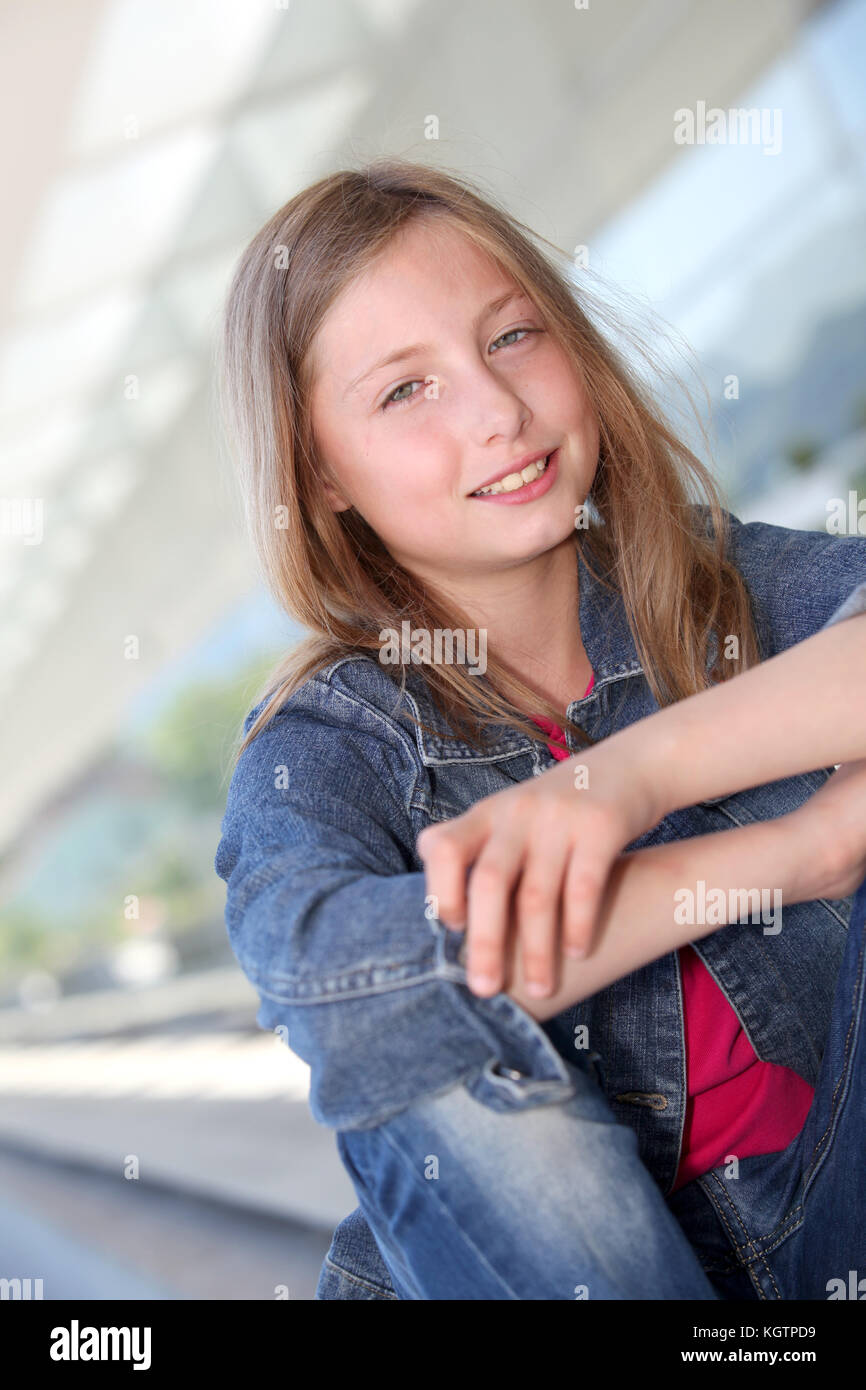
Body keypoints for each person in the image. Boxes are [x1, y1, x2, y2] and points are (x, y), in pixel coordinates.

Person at [214, 158, 866, 1300]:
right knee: (429, 1046)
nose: (498, 411)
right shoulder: (323, 749)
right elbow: (342, 1003)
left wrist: (626, 776)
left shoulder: (719, 587)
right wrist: (798, 852)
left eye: (510, 337)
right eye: (404, 390)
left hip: (829, 1236)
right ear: (319, 472)